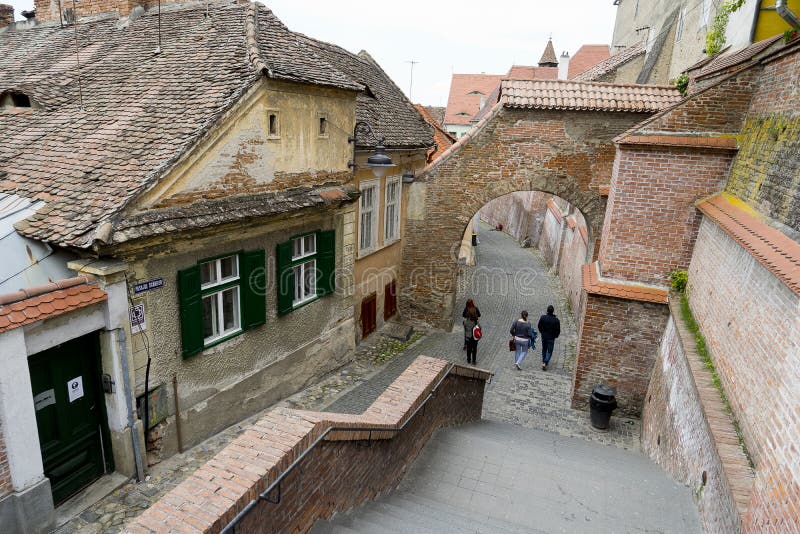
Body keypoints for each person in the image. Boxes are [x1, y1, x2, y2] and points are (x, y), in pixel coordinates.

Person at [537, 305, 561, 371]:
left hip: (544, 336)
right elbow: (558, 330)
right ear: (553, 311)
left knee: (544, 349)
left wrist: (542, 332)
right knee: (550, 351)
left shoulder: (543, 317)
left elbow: (539, 326)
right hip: (551, 337)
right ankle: (545, 362)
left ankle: (544, 361)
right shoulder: (556, 320)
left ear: (547, 310)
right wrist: (555, 336)